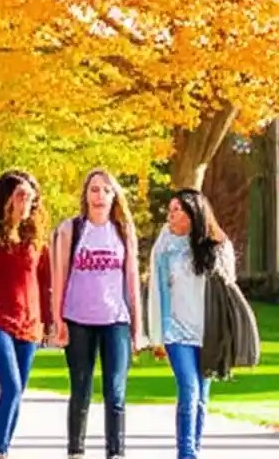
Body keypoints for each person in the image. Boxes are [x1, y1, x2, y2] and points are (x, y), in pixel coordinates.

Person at [52, 169, 143, 459]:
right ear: (85, 195)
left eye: (105, 189)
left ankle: (116, 452)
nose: (99, 195)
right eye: (93, 189)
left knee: (115, 392)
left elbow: (131, 281)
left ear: (114, 195)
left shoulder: (123, 231)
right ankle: (75, 450)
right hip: (78, 319)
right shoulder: (71, 229)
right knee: (80, 389)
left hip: (115, 320)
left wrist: (137, 328)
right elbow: (59, 276)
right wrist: (58, 320)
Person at [0, 171, 54, 459]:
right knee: (11, 385)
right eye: (20, 195)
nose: (26, 201)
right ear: (7, 199)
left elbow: (46, 284)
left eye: (30, 197)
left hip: (29, 325)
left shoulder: (37, 240)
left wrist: (50, 322)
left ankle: (4, 449)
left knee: (18, 392)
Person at [148, 189, 236, 459]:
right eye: (170, 209)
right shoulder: (164, 245)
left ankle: (195, 449)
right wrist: (157, 335)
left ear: (193, 213)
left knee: (201, 397)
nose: (171, 214)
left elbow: (228, 288)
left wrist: (220, 247)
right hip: (176, 330)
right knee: (189, 389)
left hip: (208, 333)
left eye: (177, 209)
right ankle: (186, 454)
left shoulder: (216, 245)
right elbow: (158, 289)